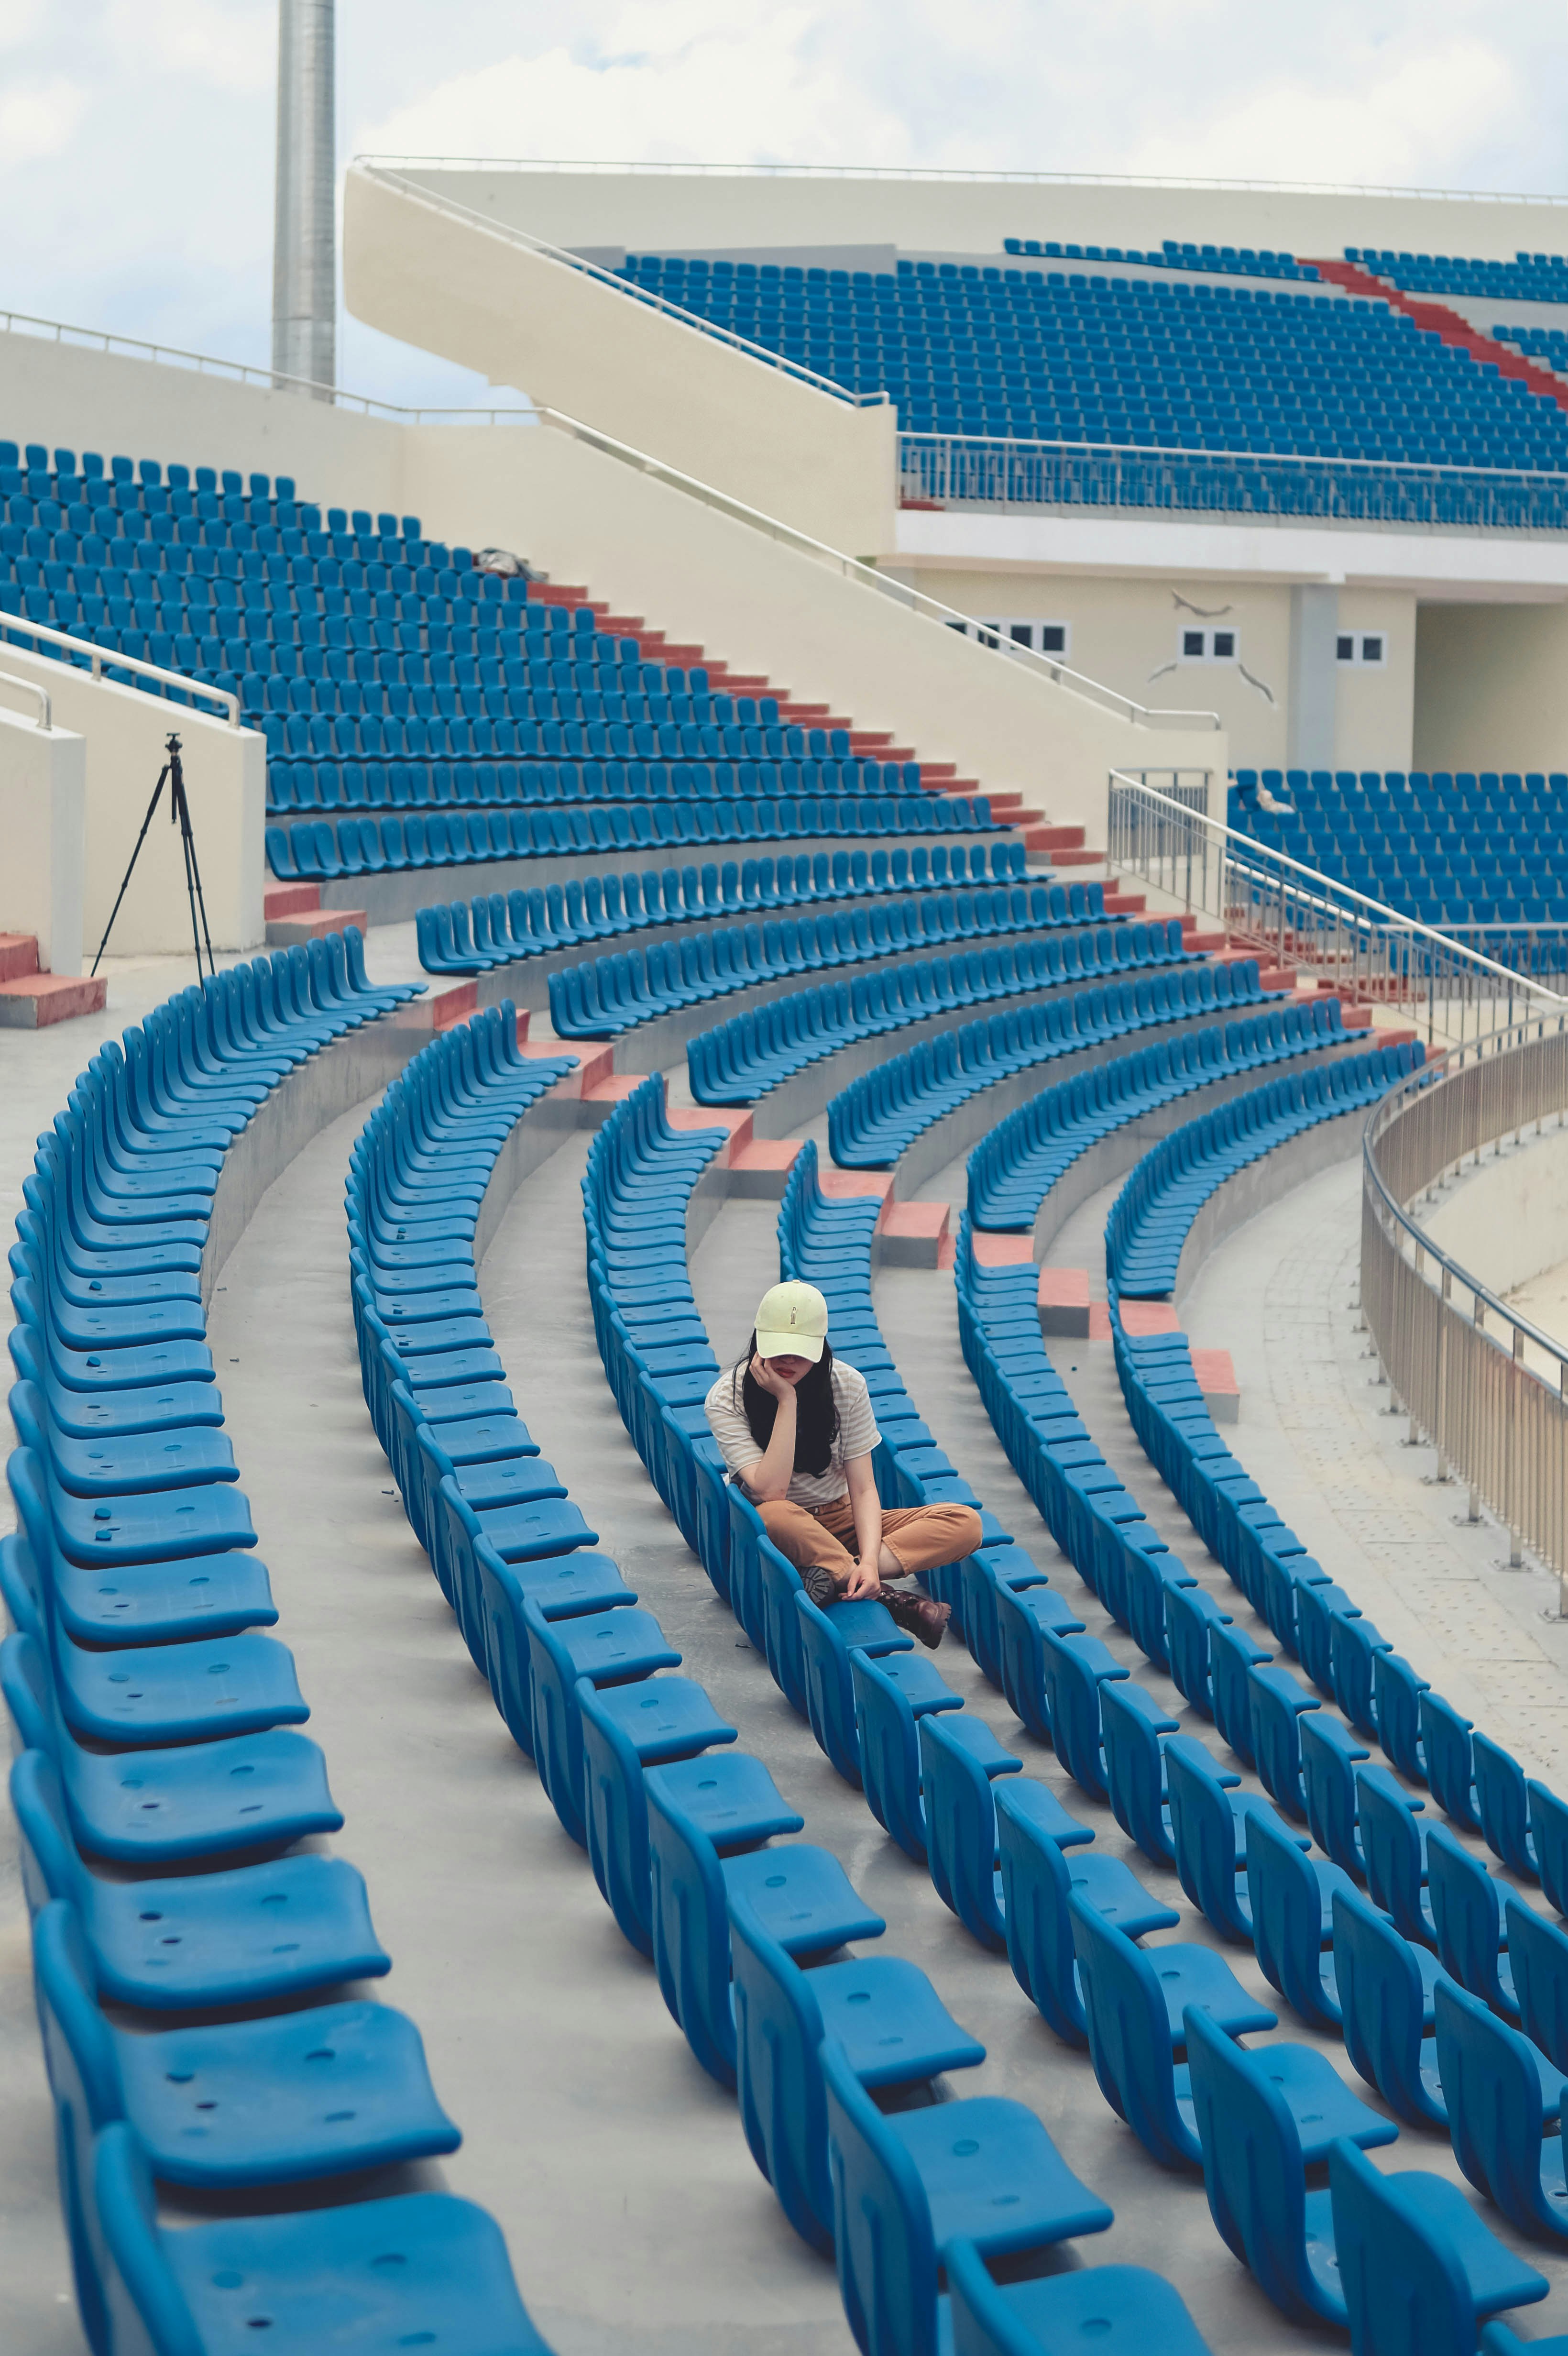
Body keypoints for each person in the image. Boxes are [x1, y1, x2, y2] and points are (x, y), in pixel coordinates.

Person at [703, 1280, 983, 1648]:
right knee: (773, 1513)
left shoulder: (846, 1384)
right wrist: (786, 1402)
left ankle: (836, 1573)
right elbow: (771, 1490)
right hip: (781, 1525)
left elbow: (864, 1487)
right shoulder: (727, 1396)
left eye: (800, 1351)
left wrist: (868, 1561)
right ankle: (886, 1596)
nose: (788, 1360)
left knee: (965, 1522)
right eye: (778, 1348)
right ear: (758, 1341)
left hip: (839, 1517)